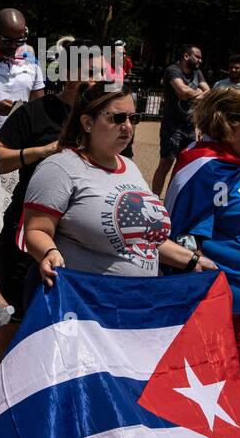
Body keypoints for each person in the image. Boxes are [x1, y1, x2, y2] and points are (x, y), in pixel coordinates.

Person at [164, 85, 240, 438]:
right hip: (212, 299)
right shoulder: (205, 168)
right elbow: (184, 238)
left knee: (232, 382)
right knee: (200, 383)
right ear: (227, 123)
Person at [0, 42, 98, 393]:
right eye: (84, 72)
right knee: (13, 321)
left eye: (96, 73)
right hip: (26, 235)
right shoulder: (35, 112)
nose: (92, 81)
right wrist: (43, 152)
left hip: (79, 241)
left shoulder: (106, 118)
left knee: (67, 330)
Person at [24, 82, 209, 286]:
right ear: (88, 122)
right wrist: (49, 253)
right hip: (86, 303)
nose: (128, 127)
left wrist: (193, 261)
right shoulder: (60, 168)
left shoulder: (130, 167)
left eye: (133, 118)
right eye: (118, 118)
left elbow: (146, 241)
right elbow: (36, 230)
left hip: (135, 302)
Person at [0, 7, 45, 137]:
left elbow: (38, 108)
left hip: (19, 141)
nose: (13, 46)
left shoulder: (32, 63)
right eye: (7, 41)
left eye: (19, 40)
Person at [151, 44, 208, 196]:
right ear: (186, 56)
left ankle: (173, 197)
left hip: (190, 126)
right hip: (172, 125)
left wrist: (191, 94)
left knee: (185, 165)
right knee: (165, 163)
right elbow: (182, 90)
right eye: (197, 56)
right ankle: (154, 199)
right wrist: (192, 93)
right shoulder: (173, 70)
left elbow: (207, 92)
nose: (200, 60)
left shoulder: (198, 73)